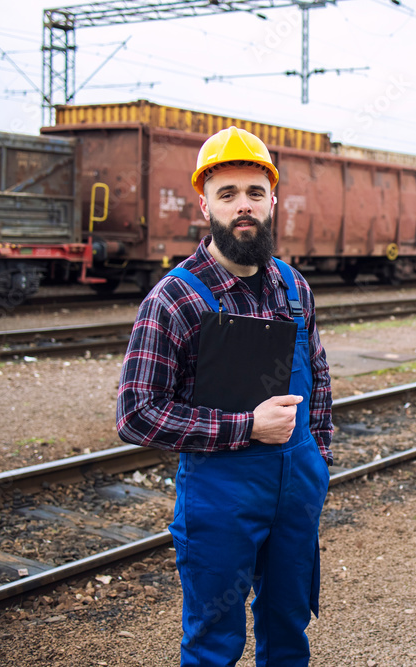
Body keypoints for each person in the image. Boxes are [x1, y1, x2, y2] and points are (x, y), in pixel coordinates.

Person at [116, 126, 333, 667]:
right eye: (228, 193)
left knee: (289, 627)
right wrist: (246, 428)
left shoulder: (293, 285)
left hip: (297, 488)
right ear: (204, 203)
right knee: (213, 643)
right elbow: (136, 414)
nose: (244, 206)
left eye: (255, 193)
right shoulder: (175, 298)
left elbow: (320, 377)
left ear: (273, 201)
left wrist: (319, 459)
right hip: (221, 497)